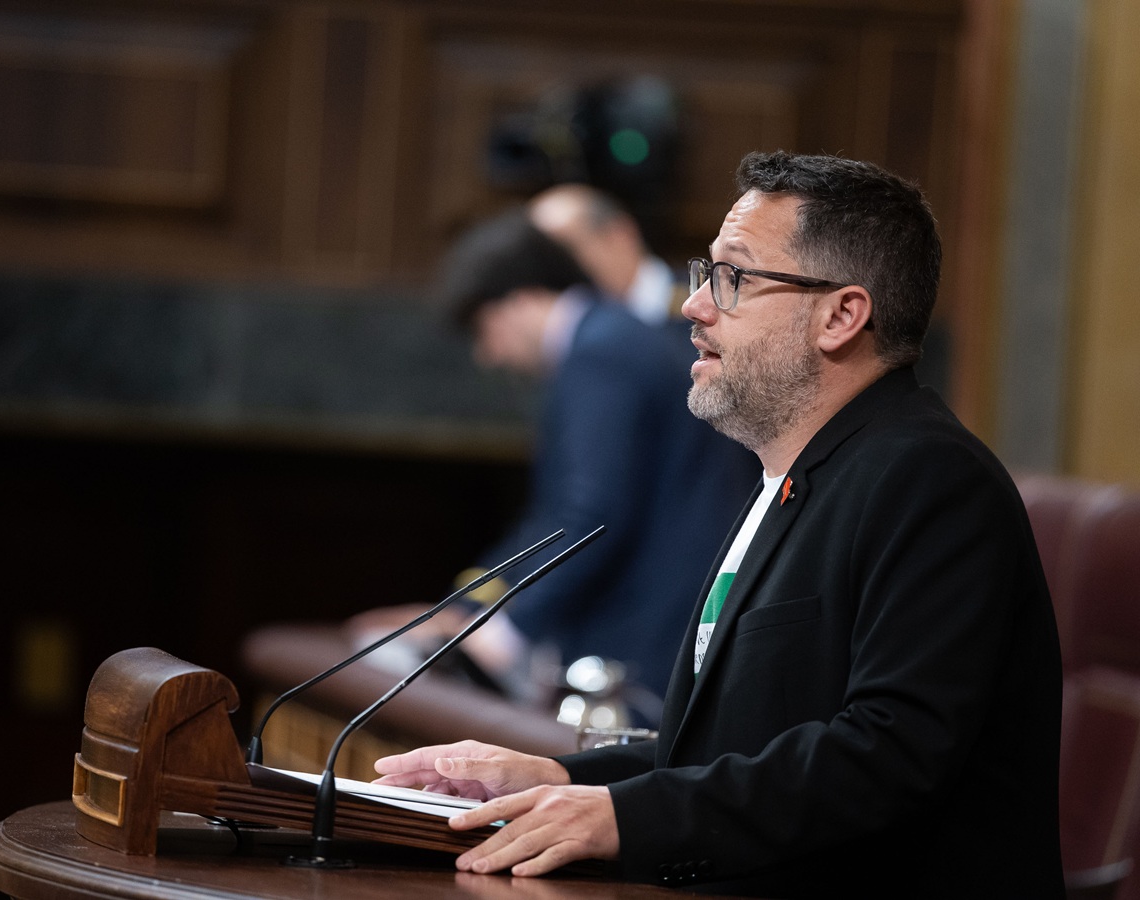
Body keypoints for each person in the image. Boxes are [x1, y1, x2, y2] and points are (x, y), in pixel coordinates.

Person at [373, 152, 1065, 897]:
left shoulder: (926, 479)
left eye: (732, 279)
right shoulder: (795, 475)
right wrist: (558, 776)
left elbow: (885, 757)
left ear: (840, 315)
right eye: (705, 274)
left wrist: (624, 820)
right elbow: (730, 749)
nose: (693, 306)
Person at [356, 208, 759, 724]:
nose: (490, 354)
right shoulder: (616, 336)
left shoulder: (601, 353)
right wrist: (463, 610)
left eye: (486, 327)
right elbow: (559, 517)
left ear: (521, 298)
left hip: (646, 634)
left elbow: (592, 514)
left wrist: (505, 630)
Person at [527, 183, 680, 326]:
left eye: (565, 251)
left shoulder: (696, 301)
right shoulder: (565, 333)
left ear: (619, 235)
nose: (554, 269)